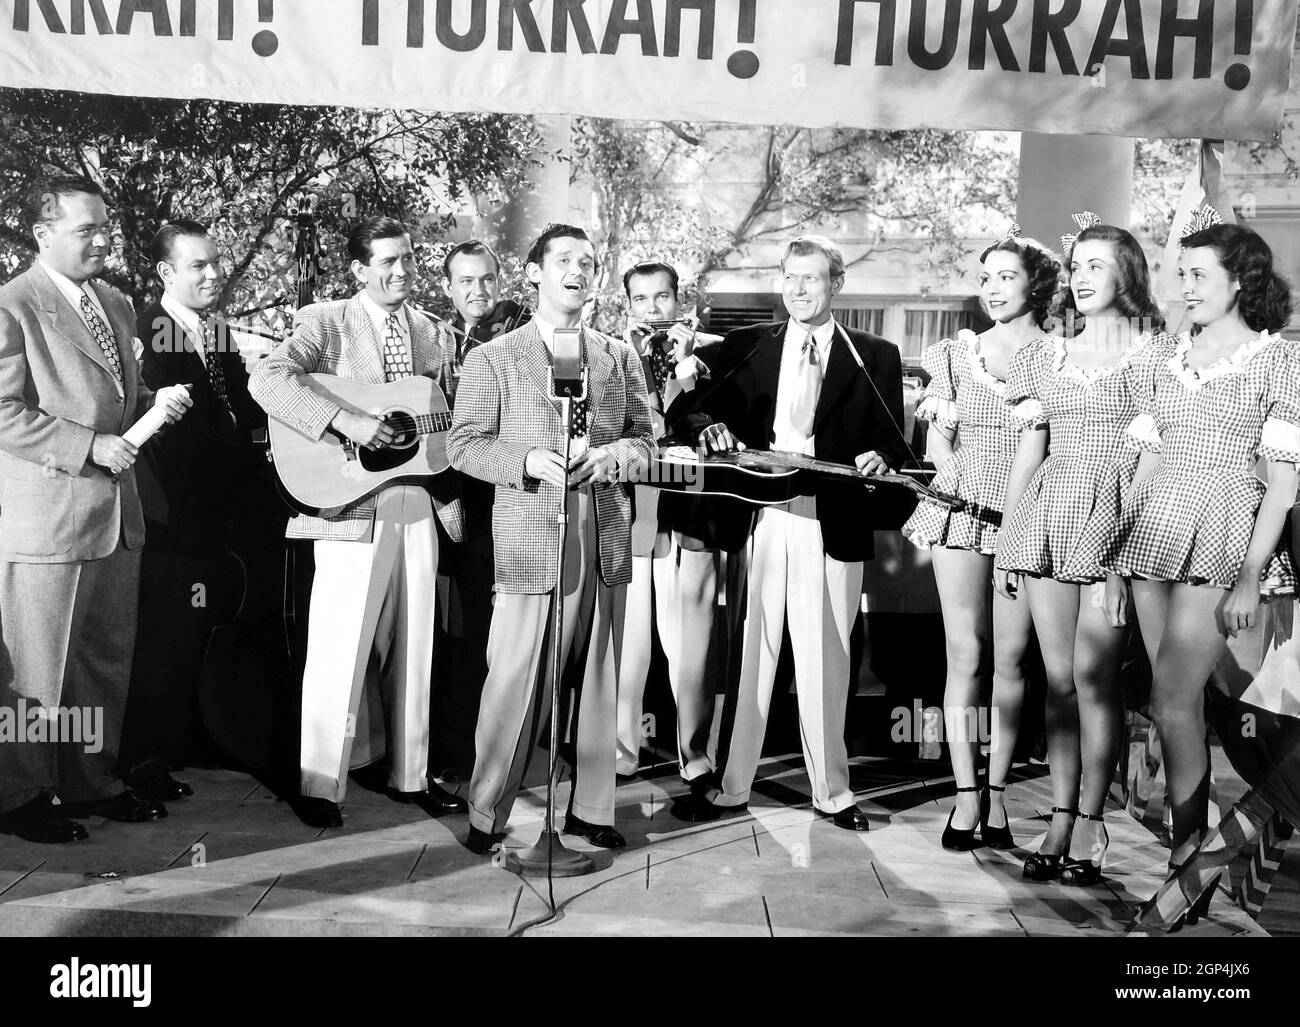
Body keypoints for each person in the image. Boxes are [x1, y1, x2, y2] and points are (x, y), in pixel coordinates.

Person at [1100, 216, 1298, 921]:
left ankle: (1188, 876)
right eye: (1180, 275)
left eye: (1198, 275)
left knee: (1179, 697)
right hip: (1153, 530)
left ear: (1241, 280)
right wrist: (1116, 556)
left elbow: (1280, 484)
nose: (1184, 288)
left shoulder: (1276, 361)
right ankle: (1188, 868)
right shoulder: (1162, 354)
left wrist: (1251, 573)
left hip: (1221, 531)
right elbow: (1144, 460)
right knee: (1168, 702)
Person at [250, 215, 467, 828]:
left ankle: (410, 773)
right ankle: (321, 783)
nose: (401, 272)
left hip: (420, 500)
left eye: (406, 259)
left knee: (416, 644)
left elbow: (446, 416)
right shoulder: (326, 321)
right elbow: (265, 377)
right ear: (358, 270)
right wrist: (352, 423)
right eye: (386, 263)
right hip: (347, 501)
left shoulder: (436, 332)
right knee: (339, 646)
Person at [447, 223, 655, 855]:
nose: (577, 271)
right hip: (531, 539)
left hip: (603, 533)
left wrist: (613, 456)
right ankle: (488, 810)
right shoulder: (494, 357)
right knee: (514, 680)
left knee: (597, 678)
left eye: (587, 262)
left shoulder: (617, 354)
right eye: (563, 260)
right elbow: (463, 445)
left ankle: (591, 810)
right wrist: (530, 459)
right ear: (534, 272)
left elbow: (647, 441)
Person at [691, 235, 909, 829]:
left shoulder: (876, 355)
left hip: (832, 519)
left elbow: (895, 440)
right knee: (748, 658)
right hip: (761, 517)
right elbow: (692, 410)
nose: (798, 288)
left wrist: (880, 458)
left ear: (835, 284)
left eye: (811, 278)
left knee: (827, 658)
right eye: (790, 277)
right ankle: (730, 786)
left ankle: (832, 792)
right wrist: (711, 426)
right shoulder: (744, 346)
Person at [0, 176, 191, 843]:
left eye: (106, 227)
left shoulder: (115, 302)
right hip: (49, 522)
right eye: (87, 230)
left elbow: (115, 408)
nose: (105, 239)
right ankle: (23, 794)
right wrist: (91, 445)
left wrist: (151, 414)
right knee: (37, 669)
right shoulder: (12, 306)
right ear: (41, 230)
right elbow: (3, 412)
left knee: (102, 661)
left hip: (115, 517)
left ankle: (88, 780)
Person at [995, 214, 1172, 886]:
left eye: (1098, 264)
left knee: (1097, 681)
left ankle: (1094, 823)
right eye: (1077, 265)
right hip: (1049, 514)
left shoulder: (1156, 356)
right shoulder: (1043, 354)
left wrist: (1125, 556)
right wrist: (1011, 539)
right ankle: (1061, 815)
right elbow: (1029, 450)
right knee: (1061, 682)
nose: (1082, 275)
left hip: (1116, 519)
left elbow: (1155, 458)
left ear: (1129, 273)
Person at [901, 229, 1060, 850]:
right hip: (960, 506)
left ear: (1035, 284)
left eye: (1007, 277)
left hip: (1028, 510)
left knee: (1011, 662)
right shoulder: (952, 354)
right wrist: (946, 465)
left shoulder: (1058, 356)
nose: (993, 289)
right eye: (986, 277)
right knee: (964, 654)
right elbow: (939, 433)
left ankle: (998, 796)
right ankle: (965, 795)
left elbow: (1046, 441)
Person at [119, 220, 276, 801]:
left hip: (216, 518)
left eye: (215, 262)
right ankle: (141, 759)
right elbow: (176, 439)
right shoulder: (148, 333)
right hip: (171, 519)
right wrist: (246, 467)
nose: (213, 275)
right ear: (165, 273)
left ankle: (185, 740)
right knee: (162, 640)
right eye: (197, 266)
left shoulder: (216, 330)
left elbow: (242, 408)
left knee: (197, 633)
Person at [613, 261, 721, 790]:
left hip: (689, 520)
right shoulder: (609, 358)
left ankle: (697, 757)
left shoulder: (708, 358)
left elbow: (700, 424)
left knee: (692, 650)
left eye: (661, 298)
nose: (652, 309)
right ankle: (618, 753)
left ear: (679, 301)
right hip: (630, 519)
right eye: (641, 299)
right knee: (626, 650)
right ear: (626, 304)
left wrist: (681, 369)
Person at [429, 240, 524, 782]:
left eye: (487, 278)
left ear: (500, 280)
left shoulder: (524, 336)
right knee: (456, 631)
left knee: (497, 630)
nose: (477, 290)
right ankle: (456, 751)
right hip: (449, 502)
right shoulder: (437, 341)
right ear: (449, 287)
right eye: (465, 281)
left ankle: (501, 751)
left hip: (508, 500)